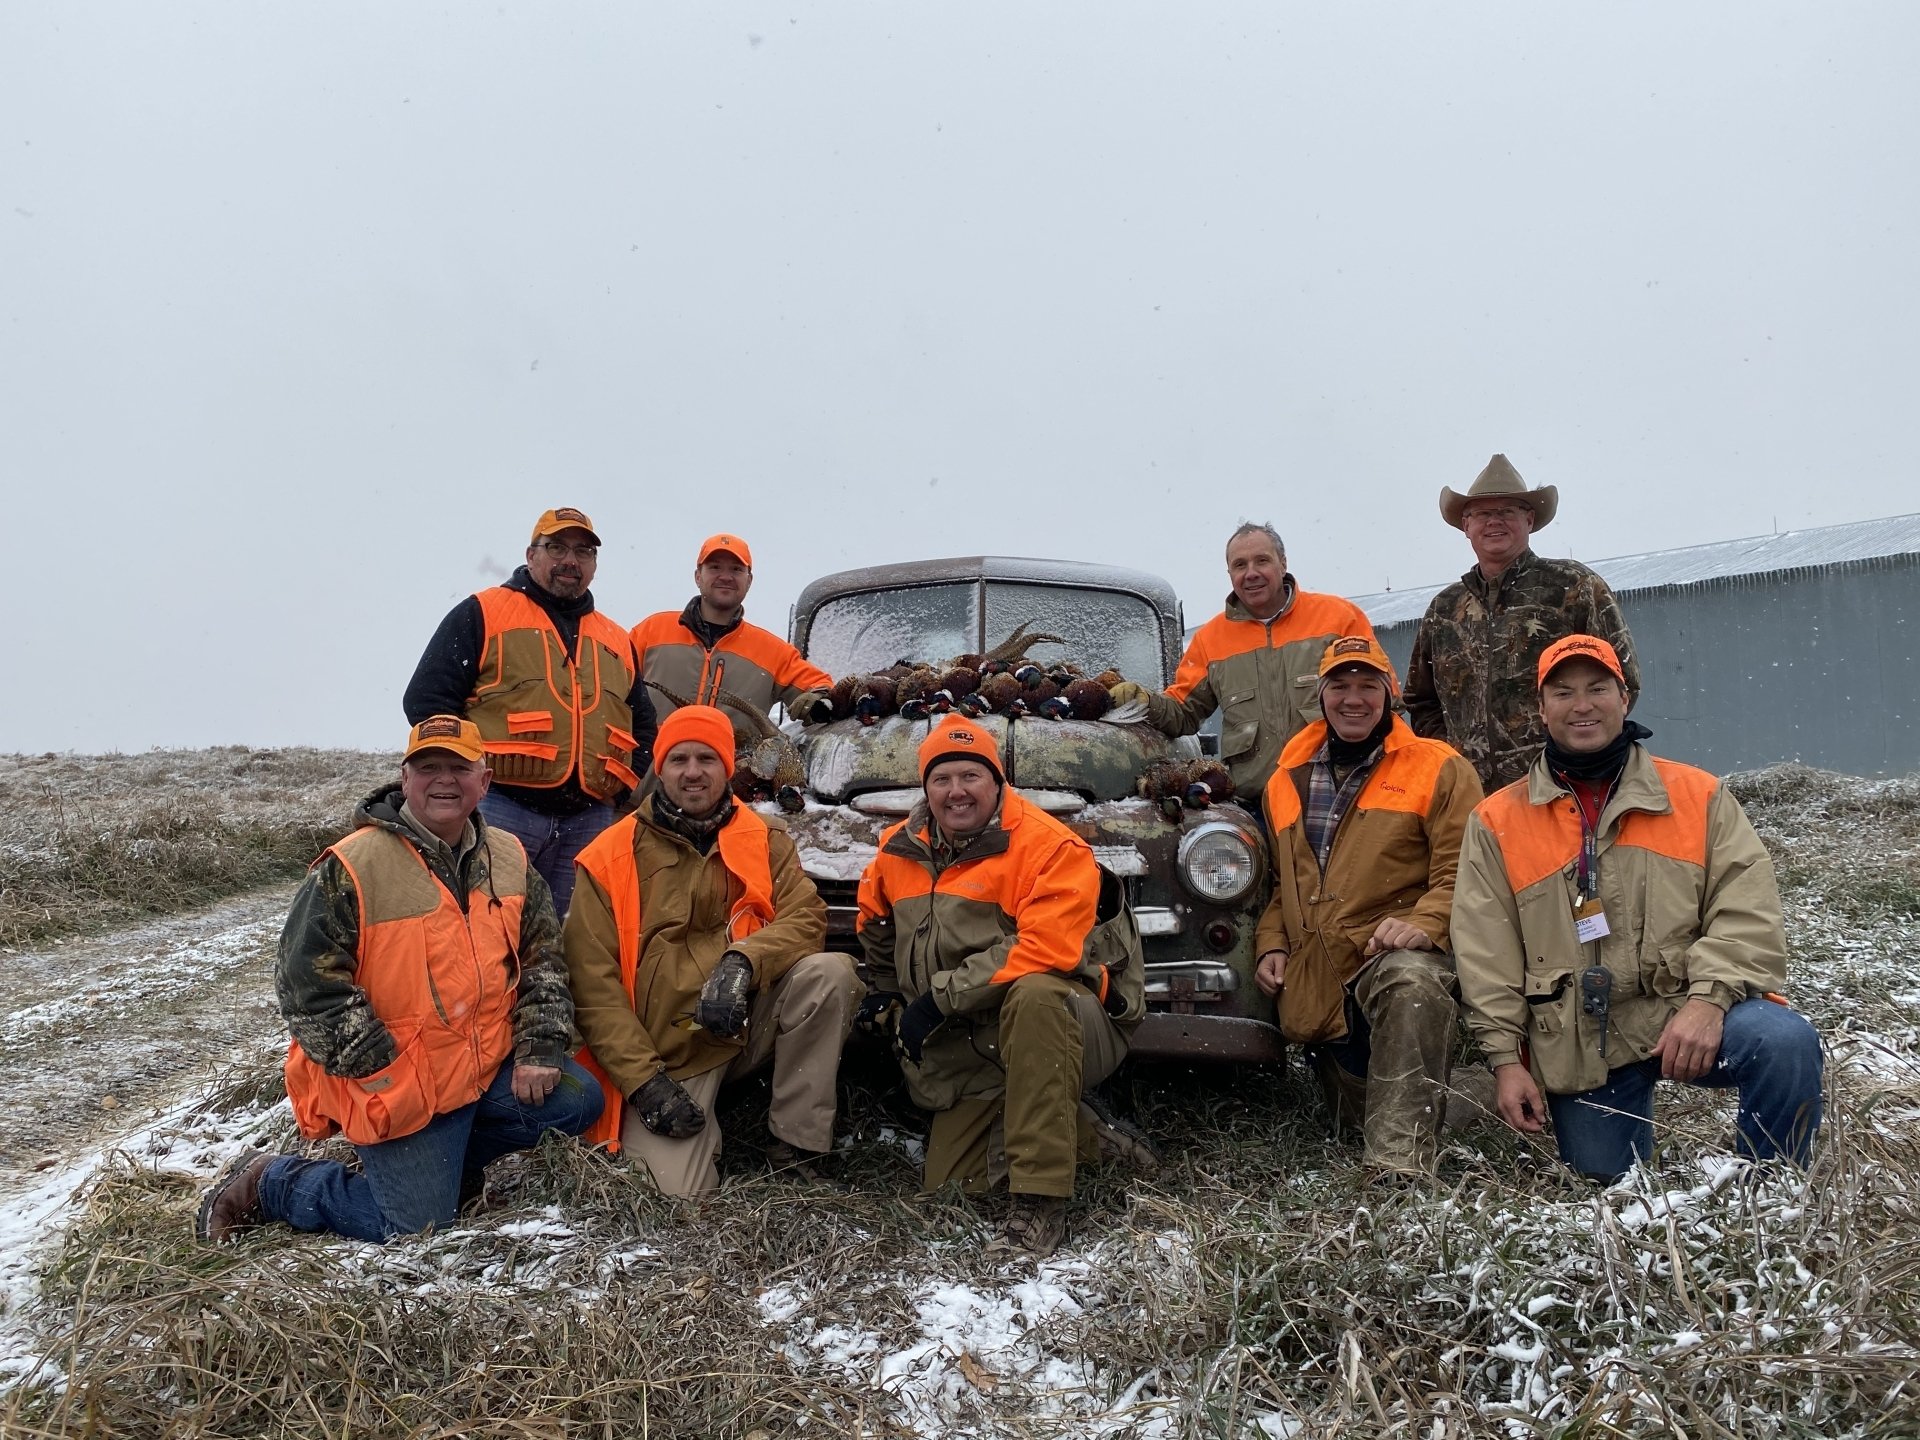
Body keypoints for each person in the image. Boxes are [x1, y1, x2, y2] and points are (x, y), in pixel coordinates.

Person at [196, 715, 604, 1243]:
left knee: (578, 1099)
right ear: (404, 778)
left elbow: (543, 956)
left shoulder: (508, 856)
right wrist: (386, 1074)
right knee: (414, 1229)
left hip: (481, 1071)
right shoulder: (353, 865)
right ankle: (273, 1181)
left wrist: (540, 1048)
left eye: (459, 767)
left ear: (485, 779)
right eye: (427, 766)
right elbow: (307, 989)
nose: (443, 780)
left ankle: (448, 1165)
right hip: (400, 1086)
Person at [1452, 635, 1823, 1181]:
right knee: (1606, 1180)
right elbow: (1487, 955)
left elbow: (1747, 909)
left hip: (1684, 1010)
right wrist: (1506, 1061)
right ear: (1541, 708)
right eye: (1563, 692)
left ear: (1624, 699)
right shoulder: (1495, 822)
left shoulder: (1698, 796)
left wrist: (1710, 1002)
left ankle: (1772, 1193)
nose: (1583, 705)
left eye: (1598, 688)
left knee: (1785, 1043)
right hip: (1580, 1040)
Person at [856, 715, 1151, 1259]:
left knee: (1035, 992)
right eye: (942, 779)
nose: (956, 792)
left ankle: (1039, 1202)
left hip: (1075, 1019)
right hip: (973, 1029)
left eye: (971, 775)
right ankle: (1095, 1139)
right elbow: (874, 923)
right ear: (926, 789)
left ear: (997, 782)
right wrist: (883, 988)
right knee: (951, 1185)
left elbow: (1046, 949)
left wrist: (936, 999)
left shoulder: (1049, 847)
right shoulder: (900, 849)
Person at [563, 705, 861, 1194]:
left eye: (708, 758)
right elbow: (593, 988)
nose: (694, 772)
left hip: (748, 1018)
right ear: (660, 768)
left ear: (729, 767)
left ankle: (796, 1143)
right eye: (679, 759)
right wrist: (645, 1083)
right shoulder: (608, 857)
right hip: (671, 1050)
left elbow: (806, 918)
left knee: (829, 974)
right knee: (670, 1196)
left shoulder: (766, 837)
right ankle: (697, 1122)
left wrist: (744, 961)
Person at [1253, 637, 1485, 1178]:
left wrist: (1423, 924)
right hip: (1318, 980)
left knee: (1412, 980)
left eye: (1367, 686)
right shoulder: (1285, 775)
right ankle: (1479, 1095)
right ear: (1322, 695)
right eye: (1340, 686)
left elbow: (1469, 873)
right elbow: (1277, 883)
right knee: (1356, 1116)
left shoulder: (1441, 768)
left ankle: (1397, 1169)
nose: (1352, 700)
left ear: (1391, 694)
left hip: (1387, 957)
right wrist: (1273, 943)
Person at [404, 506, 656, 915]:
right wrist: (462, 781)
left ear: (594, 565)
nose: (570, 560)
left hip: (589, 818)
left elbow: (644, 724)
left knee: (572, 942)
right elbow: (427, 702)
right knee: (488, 927)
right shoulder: (481, 613)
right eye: (556, 547)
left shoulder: (617, 639)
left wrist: (622, 790)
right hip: (500, 806)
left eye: (583, 552)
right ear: (530, 554)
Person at [1404, 454, 1640, 792]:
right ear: (1465, 526)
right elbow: (1420, 700)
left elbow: (1624, 682)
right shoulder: (1444, 609)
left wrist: (1577, 754)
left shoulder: (1574, 587)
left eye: (1506, 512)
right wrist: (1452, 757)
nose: (1493, 522)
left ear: (1529, 520)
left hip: (1562, 787)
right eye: (1482, 514)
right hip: (1471, 798)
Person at [1113, 523, 1375, 804]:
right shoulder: (1210, 640)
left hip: (1339, 798)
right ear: (1230, 574)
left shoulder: (1338, 618)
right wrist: (1142, 701)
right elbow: (1183, 712)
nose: (1251, 573)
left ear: (1283, 563)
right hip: (1258, 807)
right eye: (1240, 565)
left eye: (1262, 560)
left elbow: (1383, 702)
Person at [630, 532, 834, 725]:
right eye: (715, 567)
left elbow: (823, 688)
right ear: (697, 576)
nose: (726, 577)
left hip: (735, 763)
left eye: (736, 569)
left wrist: (818, 699)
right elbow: (611, 679)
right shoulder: (652, 631)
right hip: (653, 762)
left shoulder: (773, 652)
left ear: (749, 580)